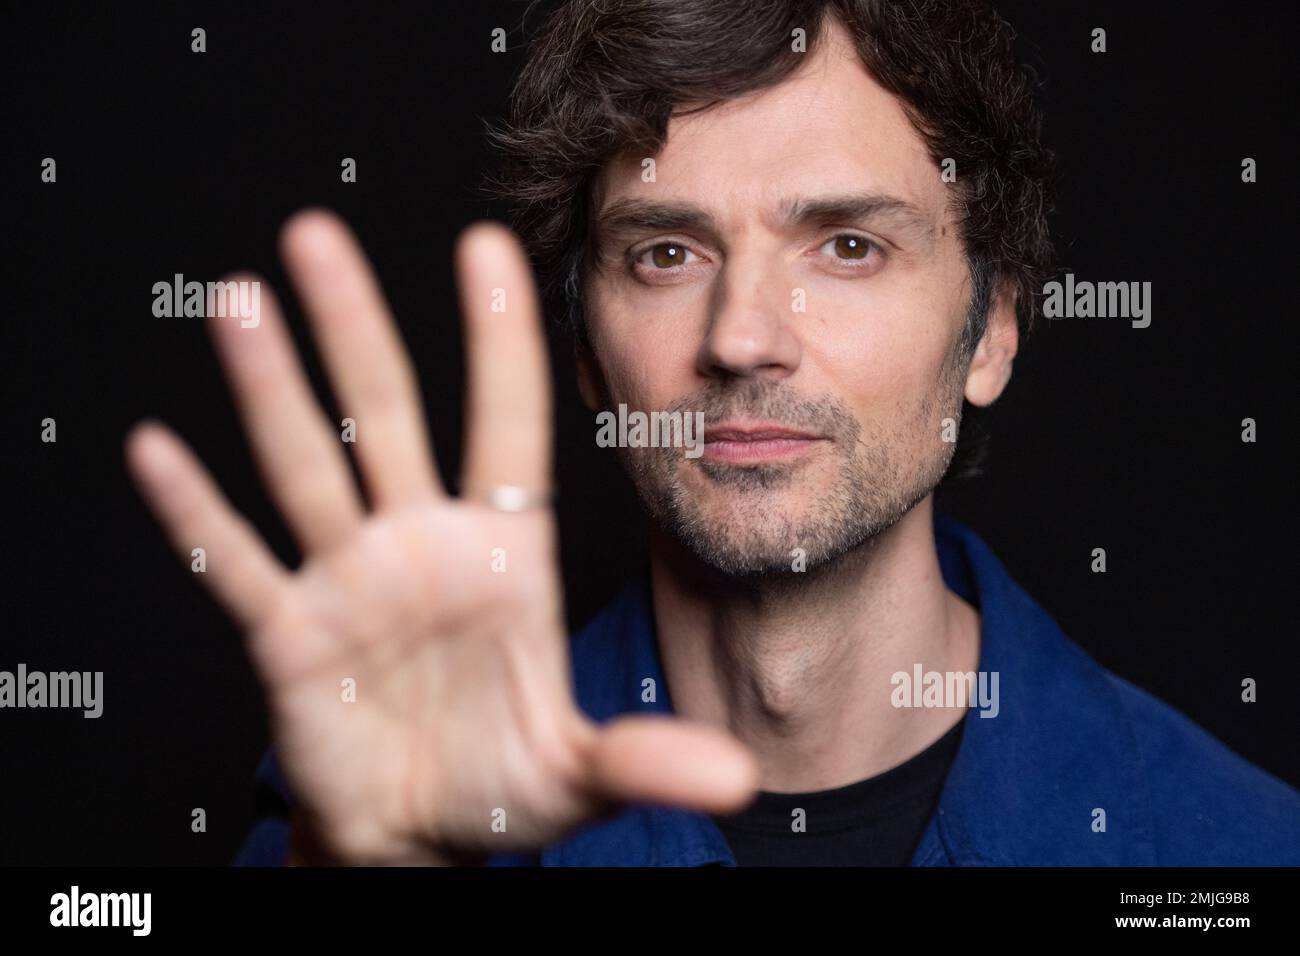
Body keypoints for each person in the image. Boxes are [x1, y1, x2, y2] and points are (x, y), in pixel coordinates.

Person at [125, 0, 1300, 866]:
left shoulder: (1231, 849)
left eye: (847, 245)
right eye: (665, 253)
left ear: (990, 331)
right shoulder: (378, 811)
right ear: (588, 351)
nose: (742, 337)